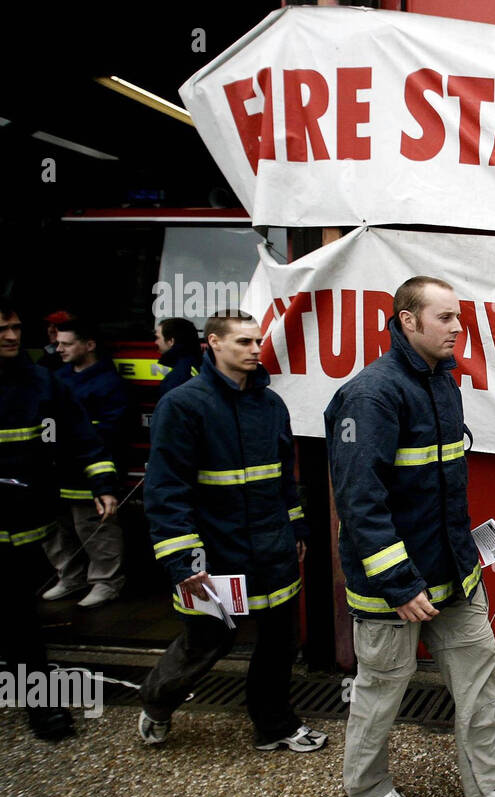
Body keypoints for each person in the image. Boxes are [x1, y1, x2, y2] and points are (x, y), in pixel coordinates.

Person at [325, 276, 495, 797]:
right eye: (446, 318)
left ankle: (493, 778)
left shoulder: (442, 383)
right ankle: (366, 786)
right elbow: (359, 502)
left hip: (453, 572)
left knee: (479, 674)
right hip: (395, 585)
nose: (459, 328)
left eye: (458, 317)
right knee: (382, 688)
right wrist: (399, 583)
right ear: (408, 322)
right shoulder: (372, 394)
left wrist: (463, 561)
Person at [136, 310, 327, 753]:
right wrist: (183, 562)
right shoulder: (183, 405)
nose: (254, 350)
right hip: (215, 555)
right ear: (214, 344)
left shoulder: (271, 405)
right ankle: (157, 702)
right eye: (242, 342)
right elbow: (166, 491)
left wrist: (296, 527)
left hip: (272, 549)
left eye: (257, 341)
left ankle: (274, 726)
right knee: (206, 643)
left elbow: (284, 478)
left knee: (280, 644)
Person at [0, 298, 118, 740]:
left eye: (15, 327)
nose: (12, 337)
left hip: (23, 528)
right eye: (2, 330)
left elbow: (82, 436)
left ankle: (41, 708)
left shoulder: (41, 383)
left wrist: (102, 483)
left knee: (21, 622)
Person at [40, 318, 129, 608]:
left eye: (67, 344)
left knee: (95, 529)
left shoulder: (109, 384)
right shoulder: (57, 378)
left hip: (88, 471)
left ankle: (106, 582)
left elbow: (108, 434)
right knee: (56, 530)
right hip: (56, 471)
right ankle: (69, 577)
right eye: (58, 343)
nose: (59, 349)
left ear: (89, 345)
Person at [154, 317, 203, 398]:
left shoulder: (175, 380)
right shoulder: (201, 367)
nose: (156, 342)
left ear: (171, 341)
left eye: (158, 338)